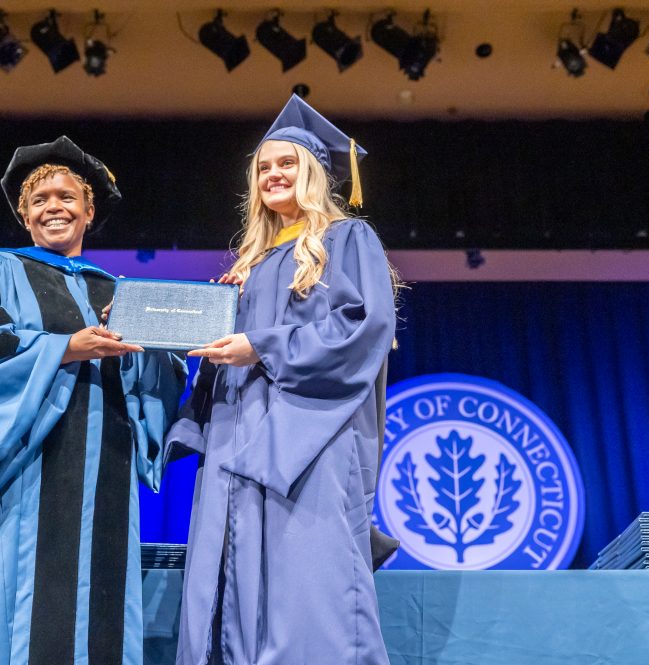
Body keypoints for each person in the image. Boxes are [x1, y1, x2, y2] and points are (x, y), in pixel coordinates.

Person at [0, 136, 186, 665]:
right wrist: (63, 348)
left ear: (88, 209)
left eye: (65, 197)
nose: (53, 207)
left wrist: (146, 350)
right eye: (39, 200)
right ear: (24, 213)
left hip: (105, 467)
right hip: (21, 474)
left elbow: (161, 387)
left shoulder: (118, 290)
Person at [167, 95, 397, 665]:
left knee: (304, 594)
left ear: (315, 174)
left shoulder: (346, 241)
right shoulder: (248, 266)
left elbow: (361, 327)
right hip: (234, 440)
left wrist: (262, 346)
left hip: (303, 440)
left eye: (286, 164)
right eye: (263, 167)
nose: (272, 174)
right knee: (228, 588)